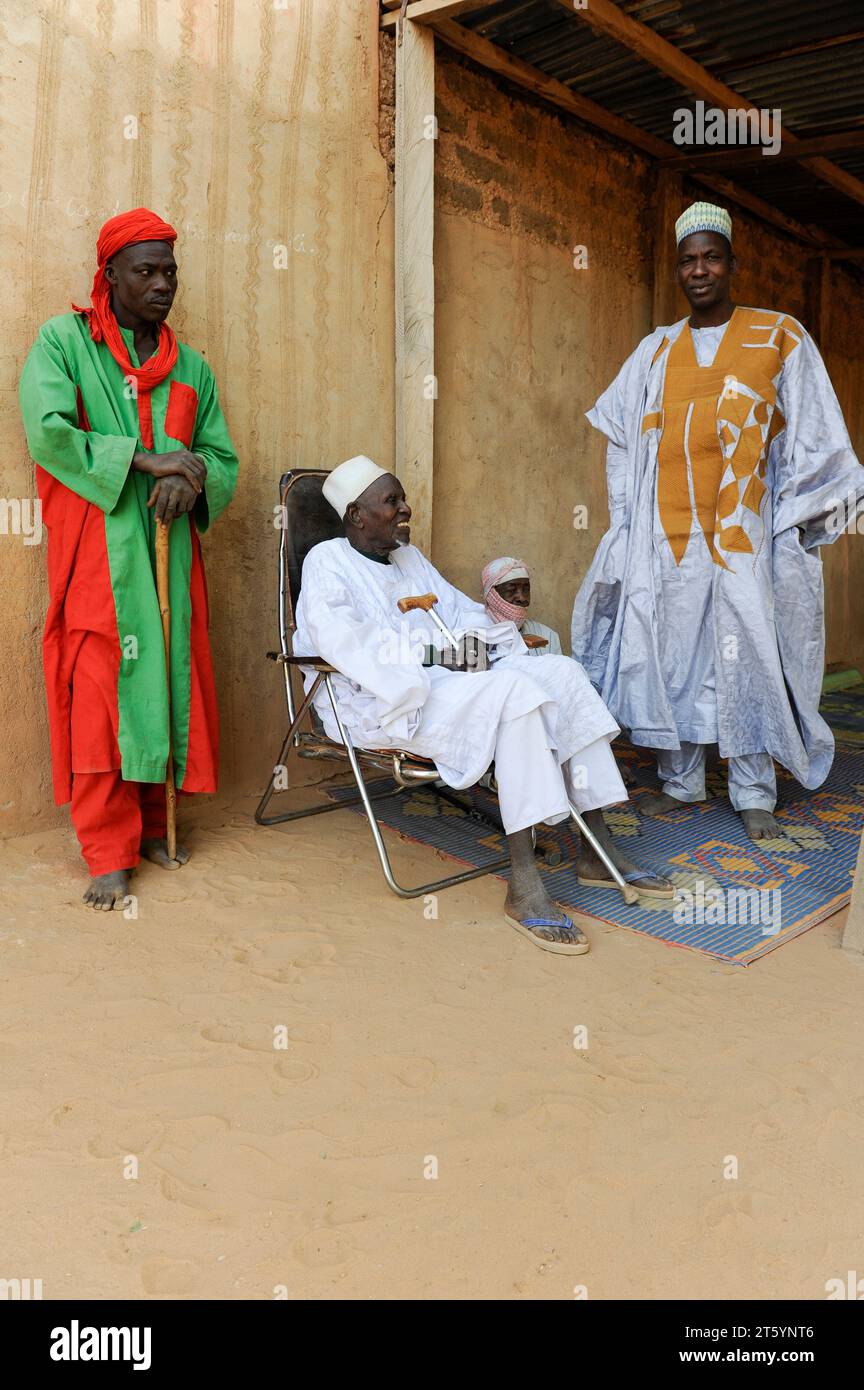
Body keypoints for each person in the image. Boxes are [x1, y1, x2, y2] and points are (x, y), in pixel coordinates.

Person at [295, 456, 671, 956]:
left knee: (563, 674)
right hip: (382, 699)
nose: (406, 509)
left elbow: (462, 612)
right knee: (514, 696)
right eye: (392, 501)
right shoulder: (327, 562)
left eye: (403, 499)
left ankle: (595, 848)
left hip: (451, 685)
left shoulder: (409, 559)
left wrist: (476, 644)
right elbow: (346, 643)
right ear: (356, 515)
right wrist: (434, 655)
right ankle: (524, 883)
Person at [571, 201, 864, 841]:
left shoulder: (780, 336)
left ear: (732, 263)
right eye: (688, 261)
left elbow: (818, 432)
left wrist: (797, 518)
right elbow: (620, 435)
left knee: (750, 654)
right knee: (673, 655)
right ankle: (680, 780)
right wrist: (626, 522)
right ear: (677, 269)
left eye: (711, 257)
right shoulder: (655, 350)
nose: (699, 270)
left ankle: (753, 788)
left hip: (743, 540)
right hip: (666, 541)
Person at [19, 208, 238, 910]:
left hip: (169, 562)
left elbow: (220, 458)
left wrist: (190, 478)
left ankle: (151, 824)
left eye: (170, 271)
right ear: (110, 274)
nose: (162, 284)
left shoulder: (191, 368)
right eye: (146, 271)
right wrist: (147, 461)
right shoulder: (63, 343)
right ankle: (107, 852)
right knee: (99, 699)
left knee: (162, 689)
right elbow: (48, 432)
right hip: (97, 561)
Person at [482, 556, 563, 655]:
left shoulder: (548, 636)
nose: (522, 598)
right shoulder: (478, 635)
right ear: (492, 595)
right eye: (511, 590)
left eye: (526, 589)